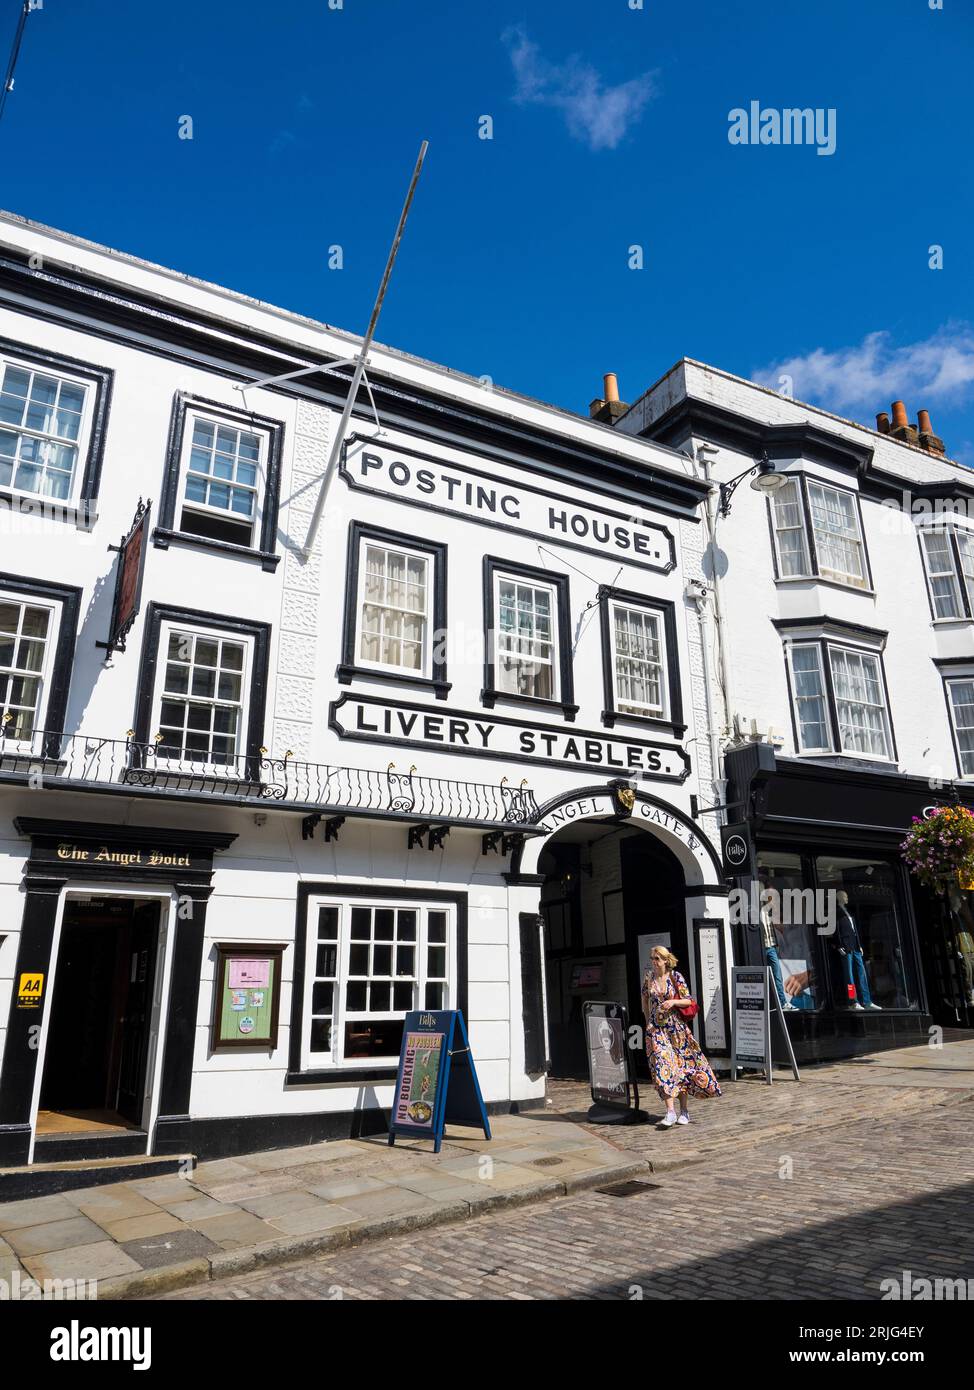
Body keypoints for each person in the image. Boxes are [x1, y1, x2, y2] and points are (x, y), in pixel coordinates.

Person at [641, 946, 721, 1128]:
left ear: (665, 960)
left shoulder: (675, 977)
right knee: (663, 1066)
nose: (654, 961)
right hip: (657, 1031)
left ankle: (684, 1111)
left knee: (681, 1068)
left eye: (657, 958)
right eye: (652, 958)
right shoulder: (648, 978)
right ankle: (670, 1112)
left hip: (676, 1030)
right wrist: (647, 1021)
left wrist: (673, 1001)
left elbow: (689, 1000)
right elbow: (644, 999)